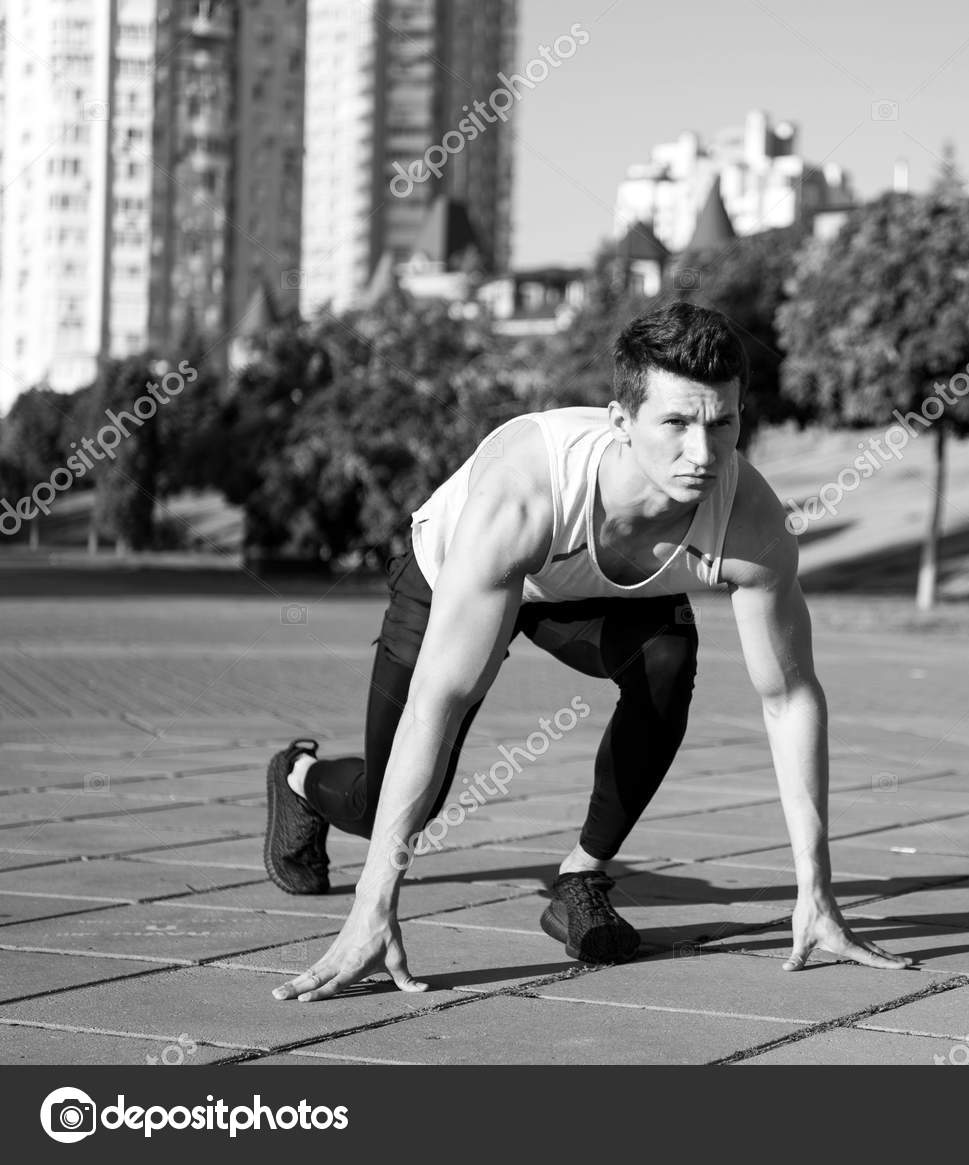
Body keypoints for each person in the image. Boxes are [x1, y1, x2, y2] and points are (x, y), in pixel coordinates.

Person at [264, 302, 912, 1002]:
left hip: (590, 592)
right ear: (620, 421)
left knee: (666, 659)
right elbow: (438, 701)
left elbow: (789, 697)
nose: (703, 454)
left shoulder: (750, 519)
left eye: (722, 424)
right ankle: (300, 777)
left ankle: (581, 876)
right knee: (391, 808)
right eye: (676, 423)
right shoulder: (526, 489)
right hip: (462, 572)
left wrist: (816, 892)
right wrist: (373, 905)